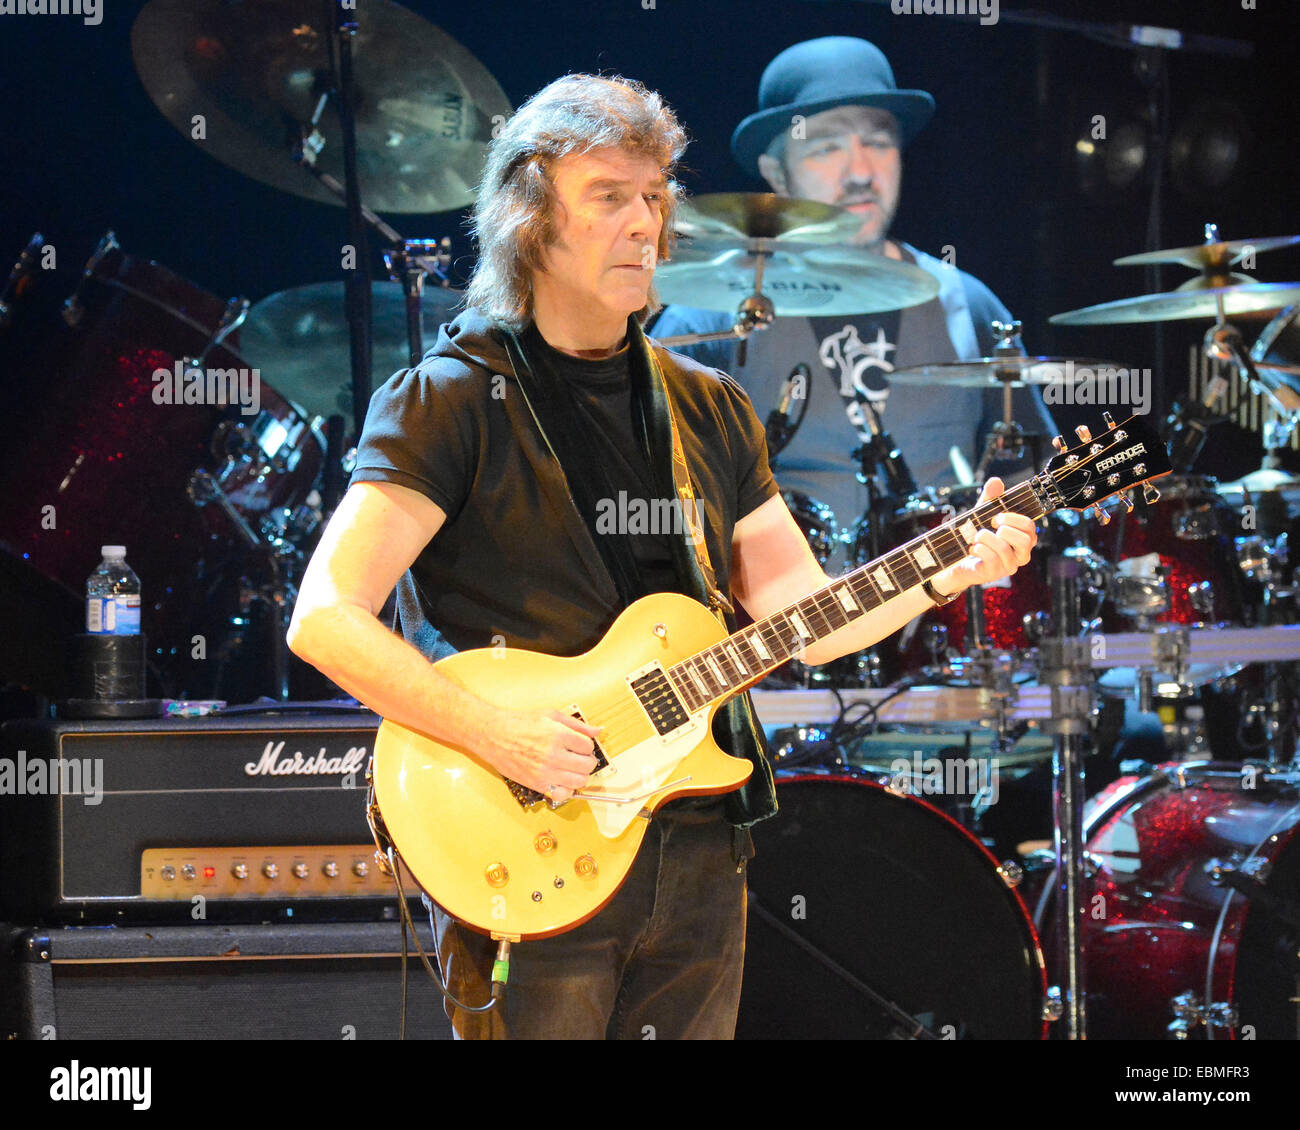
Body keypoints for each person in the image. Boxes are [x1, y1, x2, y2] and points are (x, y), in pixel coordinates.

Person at [286, 73, 1037, 1040]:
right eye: (609, 198)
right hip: (530, 826)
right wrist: (493, 734)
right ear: (528, 216)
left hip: (693, 839)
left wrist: (948, 569)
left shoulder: (707, 405)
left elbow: (803, 614)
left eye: (654, 196)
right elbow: (325, 618)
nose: (645, 224)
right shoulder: (451, 399)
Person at [652, 37, 1056, 562]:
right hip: (774, 632)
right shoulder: (712, 315)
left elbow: (1031, 475)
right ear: (776, 174)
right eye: (826, 147)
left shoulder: (968, 302)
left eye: (879, 142)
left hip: (942, 630)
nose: (862, 171)